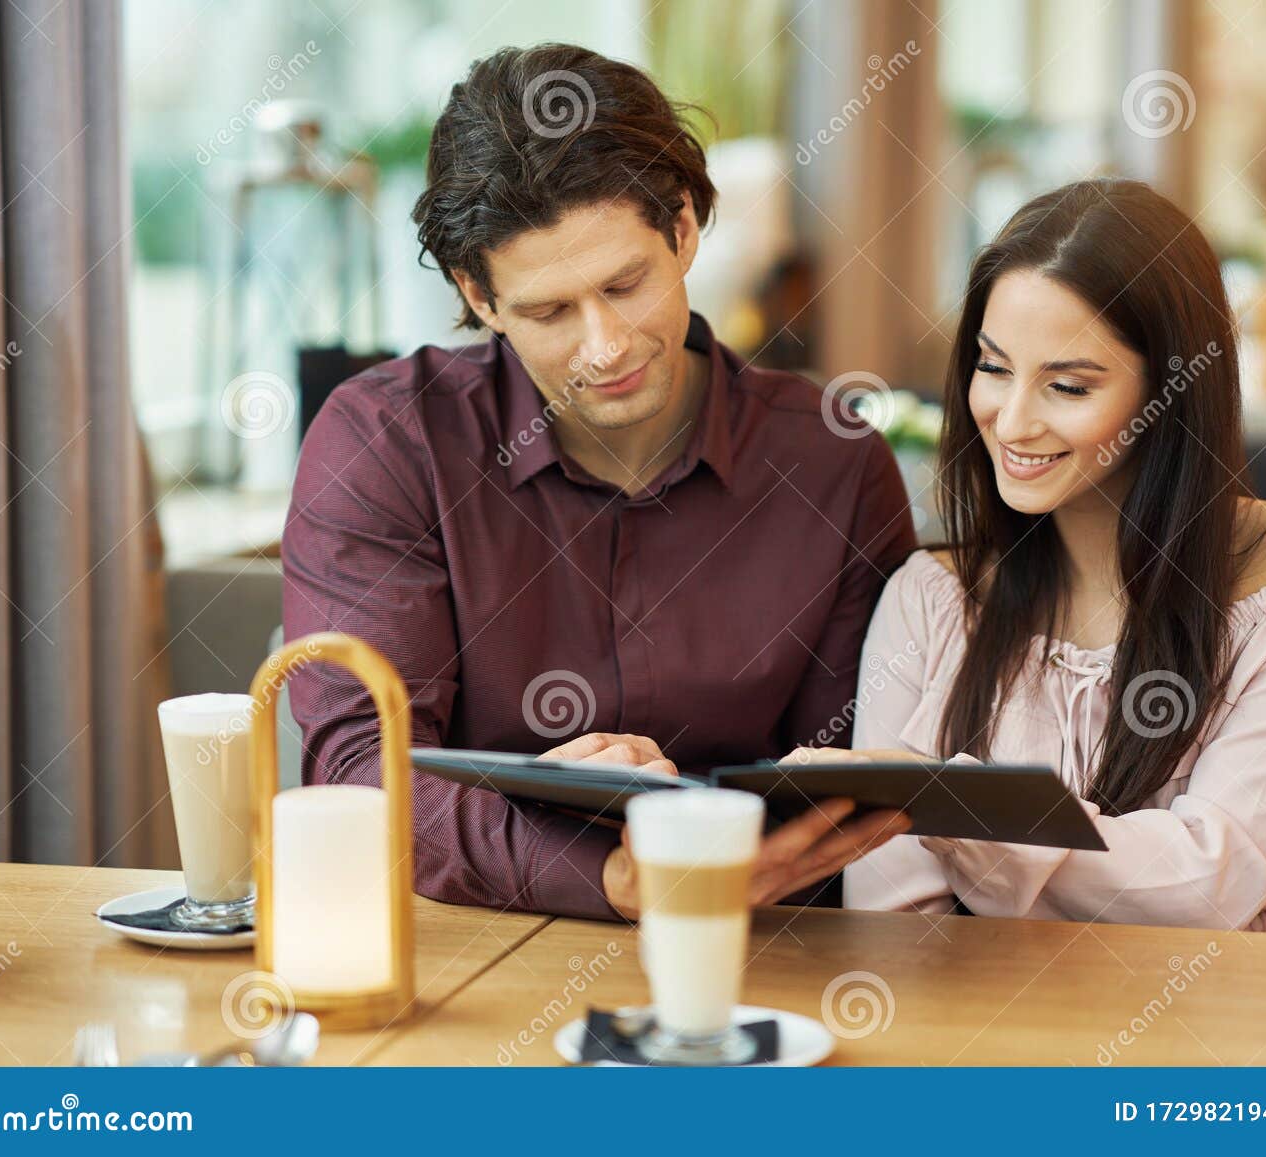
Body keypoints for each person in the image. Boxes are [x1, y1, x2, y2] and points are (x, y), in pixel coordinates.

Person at [282, 44, 917, 921]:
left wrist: (716, 861)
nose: (604, 347)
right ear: (480, 294)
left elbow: (843, 790)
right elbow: (360, 771)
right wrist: (603, 875)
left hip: (756, 959)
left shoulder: (836, 464)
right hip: (462, 964)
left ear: (685, 229)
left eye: (627, 284)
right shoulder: (388, 446)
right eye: (548, 311)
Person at [792, 179, 1266, 936]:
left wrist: (941, 804)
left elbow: (1213, 881)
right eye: (994, 367)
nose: (1010, 422)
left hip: (1264, 1014)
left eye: (1067, 385)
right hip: (1014, 1022)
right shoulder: (931, 596)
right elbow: (889, 916)